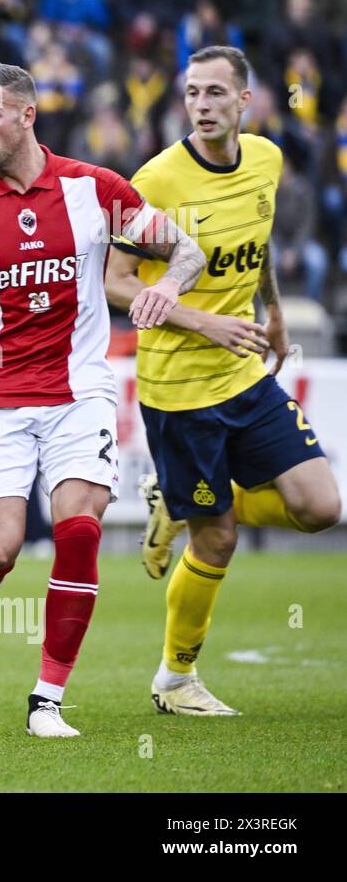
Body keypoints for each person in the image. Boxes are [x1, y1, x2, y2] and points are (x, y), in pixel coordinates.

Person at [0, 63, 206, 738]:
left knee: (80, 530)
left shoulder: (95, 189)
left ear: (27, 114)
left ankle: (46, 699)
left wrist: (170, 288)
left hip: (80, 390)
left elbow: (184, 250)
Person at [104, 46, 342, 716]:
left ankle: (180, 504)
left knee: (321, 507)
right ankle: (175, 680)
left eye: (215, 93)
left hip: (243, 370)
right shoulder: (153, 181)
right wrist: (203, 322)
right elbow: (116, 281)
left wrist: (271, 312)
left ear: (246, 101)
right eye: (192, 93)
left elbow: (257, 242)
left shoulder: (266, 159)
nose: (202, 106)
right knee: (220, 538)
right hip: (179, 388)